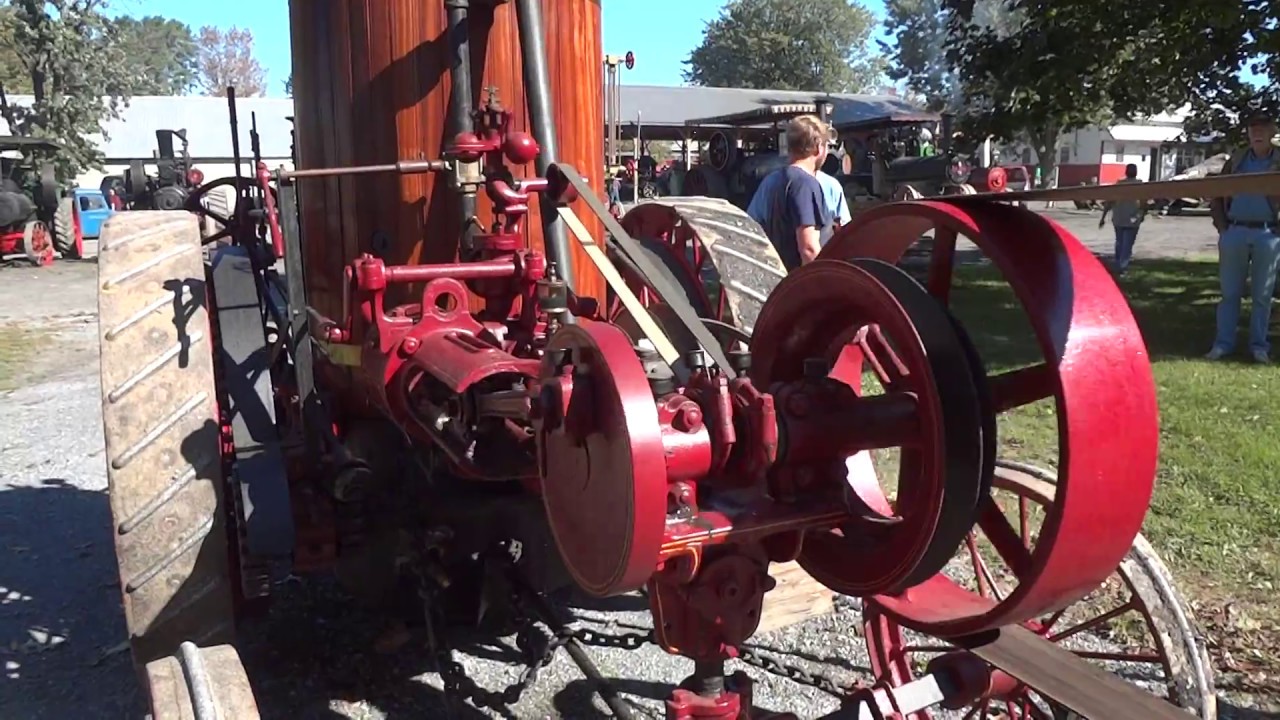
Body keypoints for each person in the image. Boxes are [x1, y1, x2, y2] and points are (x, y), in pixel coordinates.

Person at [1206, 110, 1280, 364]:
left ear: (1272, 132)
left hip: (1268, 233)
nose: (1257, 133)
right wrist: (1223, 226)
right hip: (1234, 231)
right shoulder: (1236, 160)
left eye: (1262, 128)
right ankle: (1223, 344)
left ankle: (1259, 346)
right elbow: (1215, 193)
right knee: (1229, 293)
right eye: (1252, 128)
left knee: (1263, 294)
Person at [744, 115, 834, 269]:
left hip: (779, 276)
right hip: (798, 282)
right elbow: (809, 249)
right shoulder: (805, 184)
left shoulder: (775, 180)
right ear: (819, 147)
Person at [1098, 163, 1145, 274]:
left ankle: (1118, 263)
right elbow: (1144, 203)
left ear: (1126, 172)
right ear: (1136, 172)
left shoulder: (1119, 185)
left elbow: (1109, 202)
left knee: (1119, 242)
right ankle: (1122, 267)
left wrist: (1103, 217)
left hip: (1119, 218)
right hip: (1132, 219)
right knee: (1127, 244)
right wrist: (1142, 214)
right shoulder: (1140, 186)